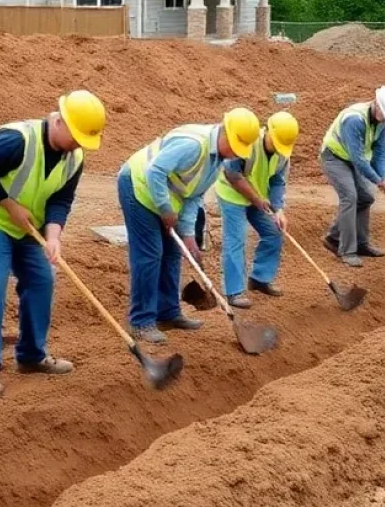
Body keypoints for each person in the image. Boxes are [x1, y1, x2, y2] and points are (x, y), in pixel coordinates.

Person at [0, 91, 106, 397]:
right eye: (78, 136)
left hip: (31, 227)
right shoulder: (16, 140)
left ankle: (31, 355)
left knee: (42, 280)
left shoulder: (75, 158)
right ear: (59, 121)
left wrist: (54, 236)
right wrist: (9, 205)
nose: (80, 144)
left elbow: (61, 199)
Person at [118, 108, 261, 344]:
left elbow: (194, 196)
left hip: (164, 200)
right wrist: (165, 209)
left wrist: (187, 235)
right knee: (150, 254)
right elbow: (155, 171)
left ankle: (168, 312)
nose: (236, 153)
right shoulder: (193, 145)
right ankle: (141, 322)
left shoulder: (217, 162)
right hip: (138, 187)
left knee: (173, 253)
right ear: (225, 132)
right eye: (235, 145)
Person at [215, 111, 298, 308]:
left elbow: (278, 182)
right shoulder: (249, 143)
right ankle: (233, 292)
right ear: (267, 130)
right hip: (232, 195)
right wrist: (257, 199)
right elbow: (232, 174)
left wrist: (278, 209)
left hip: (258, 198)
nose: (277, 148)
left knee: (274, 232)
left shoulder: (283, 154)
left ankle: (260, 278)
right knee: (236, 240)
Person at [320, 87, 385, 268]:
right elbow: (358, 159)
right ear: (376, 105)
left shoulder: (382, 122)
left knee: (366, 197)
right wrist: (377, 180)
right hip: (334, 157)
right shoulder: (354, 120)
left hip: (352, 159)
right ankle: (347, 251)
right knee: (350, 197)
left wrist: (384, 177)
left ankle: (348, 241)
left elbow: (380, 153)